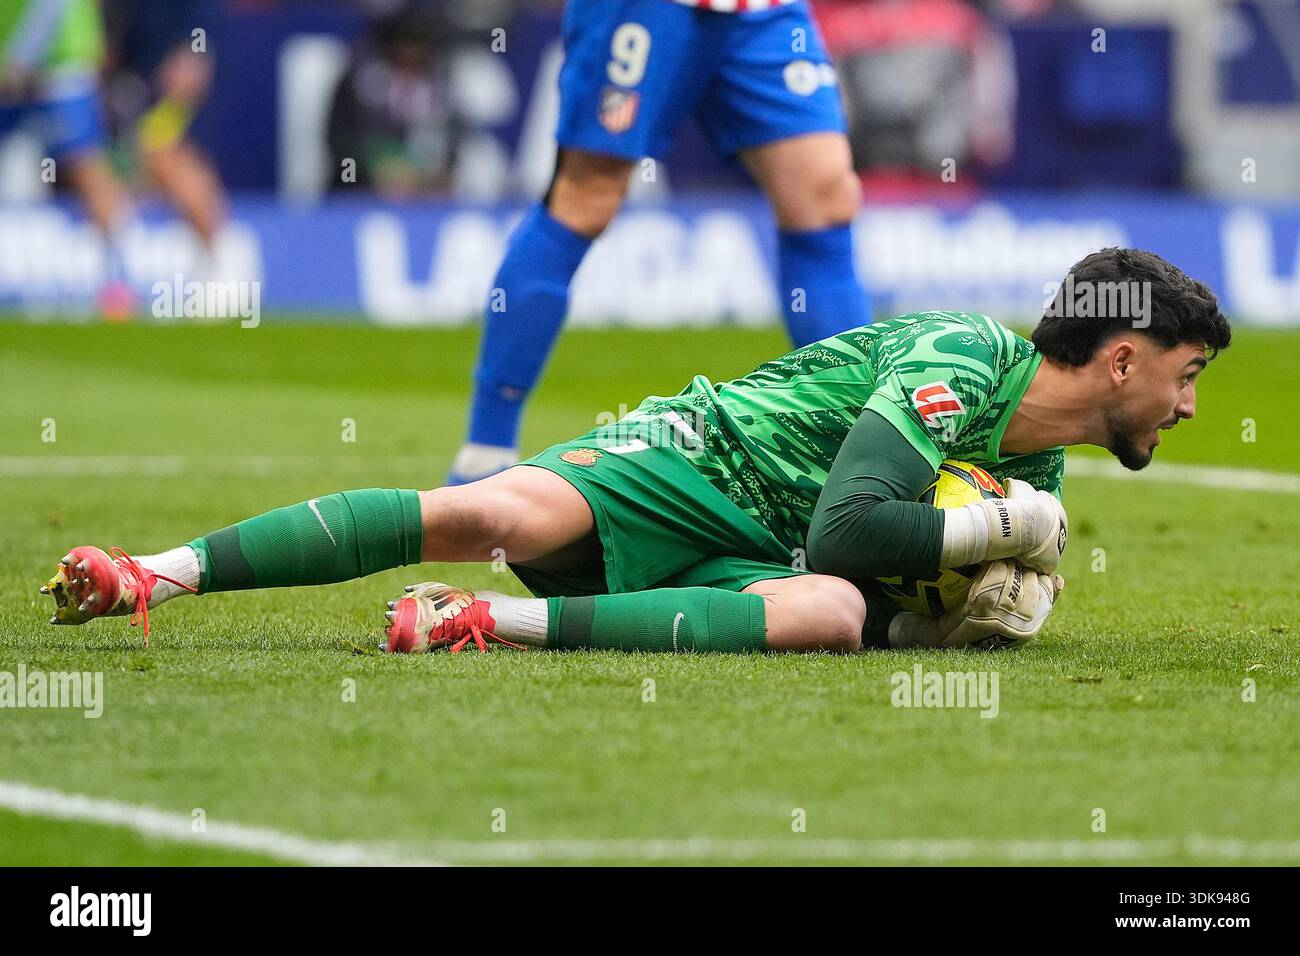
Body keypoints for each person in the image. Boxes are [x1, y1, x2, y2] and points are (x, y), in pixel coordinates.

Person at [41, 249, 1230, 654]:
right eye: (1185, 376)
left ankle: (478, 625)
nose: (1186, 407)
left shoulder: (1041, 475)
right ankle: (157, 571)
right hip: (694, 458)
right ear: (1122, 356)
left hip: (760, 549)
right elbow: (855, 528)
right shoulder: (961, 358)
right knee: (498, 516)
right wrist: (983, 536)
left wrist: (933, 622)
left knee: (820, 616)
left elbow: (853, 582)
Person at [447, 0, 873, 484]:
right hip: (648, 10)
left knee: (825, 199)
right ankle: (486, 450)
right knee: (586, 198)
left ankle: (860, 445)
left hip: (762, 12)